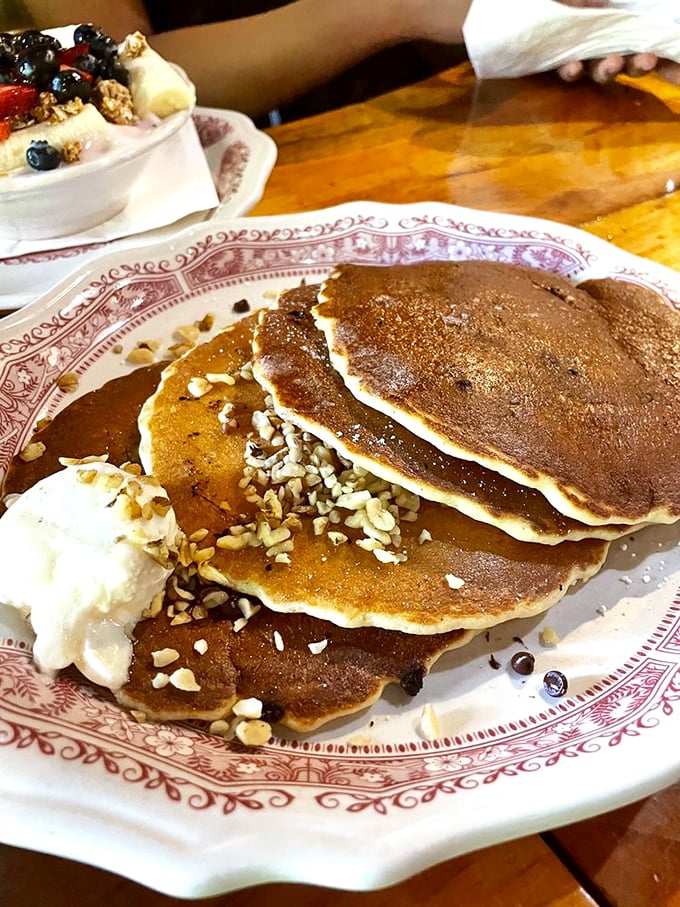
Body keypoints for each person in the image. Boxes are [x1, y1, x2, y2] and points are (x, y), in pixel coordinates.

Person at [10, 0, 680, 119]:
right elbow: (110, 78)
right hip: (214, 199)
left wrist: (553, 31)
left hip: (444, 134)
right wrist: (388, 7)